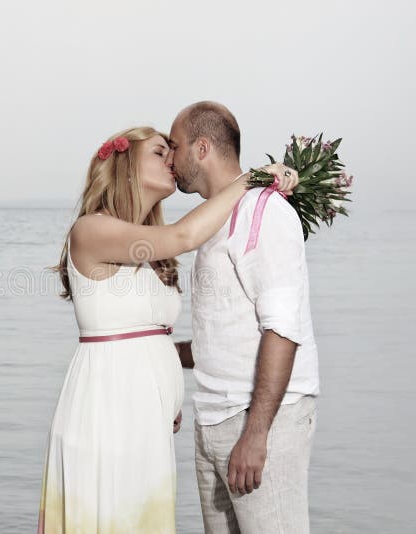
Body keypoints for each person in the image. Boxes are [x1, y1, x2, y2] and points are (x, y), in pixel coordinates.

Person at [36, 125, 298, 534]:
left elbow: (149, 337)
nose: (172, 161)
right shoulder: (92, 230)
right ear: (125, 166)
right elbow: (185, 235)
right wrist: (250, 179)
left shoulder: (147, 254)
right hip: (108, 409)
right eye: (160, 152)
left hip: (146, 417)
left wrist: (163, 384)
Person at [169, 101, 320, 534]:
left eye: (175, 146)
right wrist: (153, 352)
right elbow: (220, 340)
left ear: (201, 149)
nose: (171, 159)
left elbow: (283, 329)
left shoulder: (265, 212)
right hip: (213, 419)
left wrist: (256, 435)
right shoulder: (214, 221)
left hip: (260, 420)